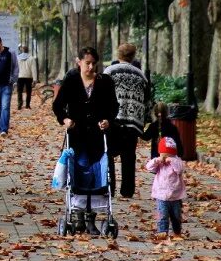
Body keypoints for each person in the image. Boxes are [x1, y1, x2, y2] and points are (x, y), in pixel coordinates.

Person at [52, 46, 119, 234]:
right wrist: (65, 119)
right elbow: (58, 105)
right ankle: (78, 215)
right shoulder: (72, 80)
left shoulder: (105, 82)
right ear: (78, 62)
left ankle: (91, 219)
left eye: (93, 64)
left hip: (98, 136)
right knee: (80, 170)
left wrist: (108, 120)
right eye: (87, 63)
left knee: (98, 172)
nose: (90, 67)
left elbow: (113, 106)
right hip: (78, 134)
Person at [103, 43, 148, 198]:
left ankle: (110, 188)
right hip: (133, 122)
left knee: (108, 154)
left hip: (113, 120)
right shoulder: (141, 75)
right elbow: (147, 101)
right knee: (129, 156)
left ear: (118, 55)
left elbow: (102, 94)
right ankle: (127, 190)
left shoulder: (109, 72)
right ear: (133, 56)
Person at [145, 137, 186, 238]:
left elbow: (179, 170)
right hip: (161, 195)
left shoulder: (176, 161)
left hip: (175, 195)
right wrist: (157, 161)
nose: (165, 157)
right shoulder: (159, 162)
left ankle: (177, 232)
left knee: (176, 216)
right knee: (162, 214)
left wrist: (171, 160)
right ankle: (162, 231)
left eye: (169, 154)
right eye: (163, 154)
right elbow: (148, 167)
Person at [15, 45, 36, 110]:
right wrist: (35, 79)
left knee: (19, 91)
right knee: (29, 92)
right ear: (28, 50)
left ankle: (19, 105)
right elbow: (34, 69)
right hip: (28, 77)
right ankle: (27, 105)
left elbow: (16, 68)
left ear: (22, 50)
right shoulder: (31, 58)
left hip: (20, 76)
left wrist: (15, 77)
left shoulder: (18, 58)